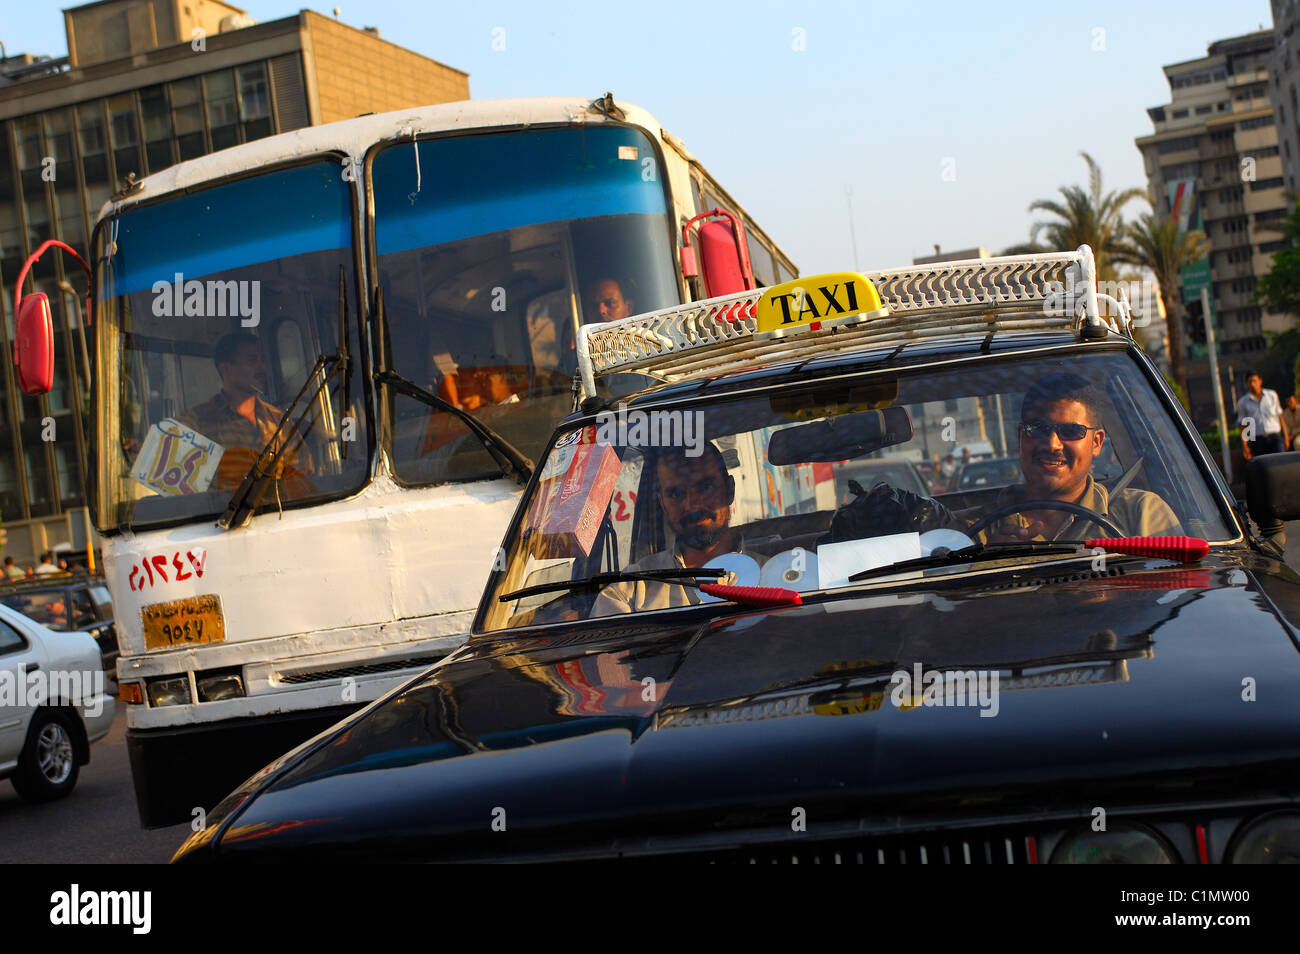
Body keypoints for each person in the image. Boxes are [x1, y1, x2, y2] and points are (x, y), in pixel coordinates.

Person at [976, 373, 1179, 543]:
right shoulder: (973, 533)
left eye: (1071, 431)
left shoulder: (1141, 516)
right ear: (1021, 436)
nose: (1052, 444)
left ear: (1097, 442)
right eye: (1037, 429)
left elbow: (1175, 585)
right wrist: (986, 565)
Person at [592, 443, 758, 615]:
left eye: (706, 487)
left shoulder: (778, 575)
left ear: (730, 490)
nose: (692, 505)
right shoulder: (630, 590)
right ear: (663, 504)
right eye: (676, 494)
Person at [175, 332, 314, 492]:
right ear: (226, 369)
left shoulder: (278, 420)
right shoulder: (195, 421)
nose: (261, 368)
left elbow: (304, 477)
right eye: (252, 361)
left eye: (262, 361)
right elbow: (172, 476)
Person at [1235, 372, 1287, 461]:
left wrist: (1286, 437)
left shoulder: (1271, 395)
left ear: (1260, 381)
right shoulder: (1243, 402)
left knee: (1281, 463)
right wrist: (1245, 446)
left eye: (1254, 381)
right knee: (1263, 467)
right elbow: (1243, 426)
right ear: (1247, 384)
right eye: (1249, 381)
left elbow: (1280, 416)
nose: (1252, 384)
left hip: (1275, 437)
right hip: (1257, 440)